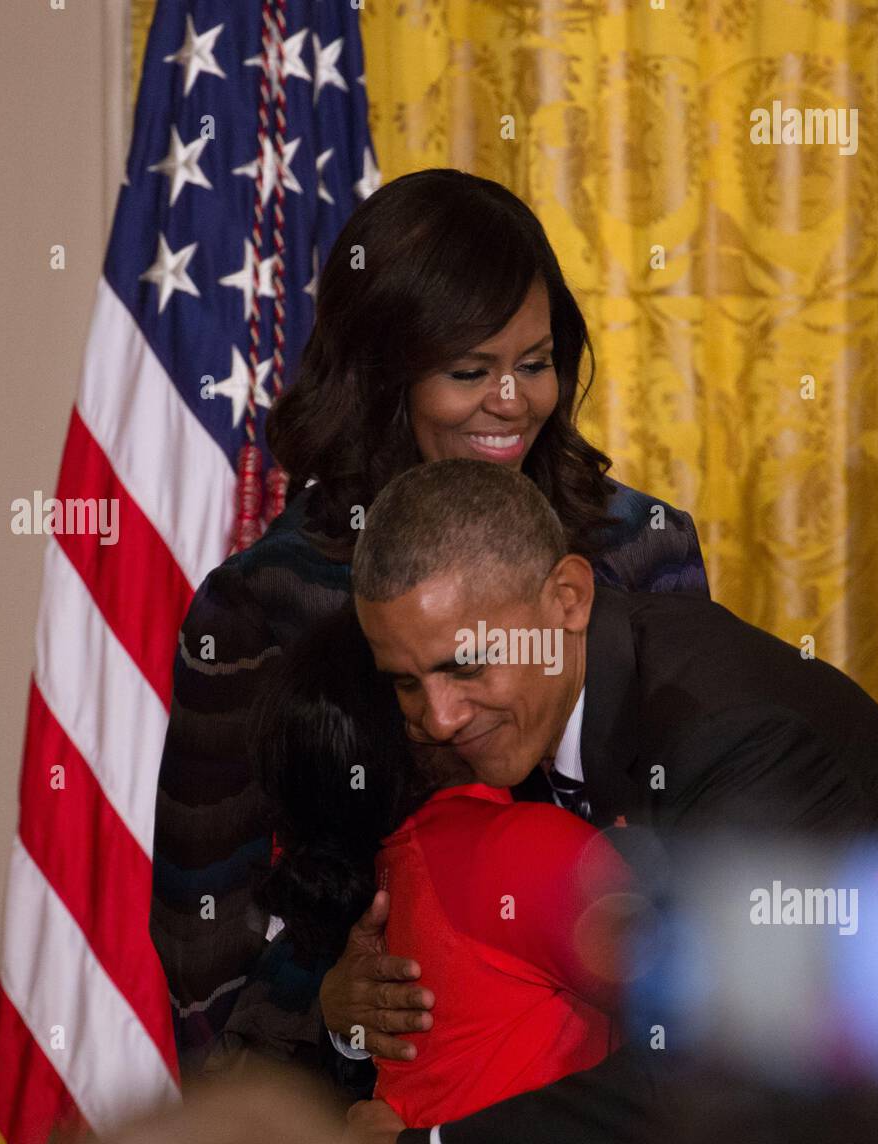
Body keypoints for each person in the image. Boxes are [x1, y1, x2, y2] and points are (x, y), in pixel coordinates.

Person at [329, 456, 878, 1144]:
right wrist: (348, 1008)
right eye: (407, 683)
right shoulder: (543, 704)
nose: (437, 716)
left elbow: (718, 1060)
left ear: (567, 600)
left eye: (467, 666)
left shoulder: (727, 731)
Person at [148, 168, 708, 1081]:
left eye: (534, 363)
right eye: (468, 372)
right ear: (381, 377)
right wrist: (322, 1007)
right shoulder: (263, 602)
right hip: (379, 1127)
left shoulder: (639, 549)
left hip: (614, 1112)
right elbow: (203, 930)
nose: (513, 401)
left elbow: (706, 830)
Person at [250, 608, 653, 1144]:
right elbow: (726, 1021)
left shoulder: (395, 864)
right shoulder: (516, 851)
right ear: (411, 725)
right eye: (419, 680)